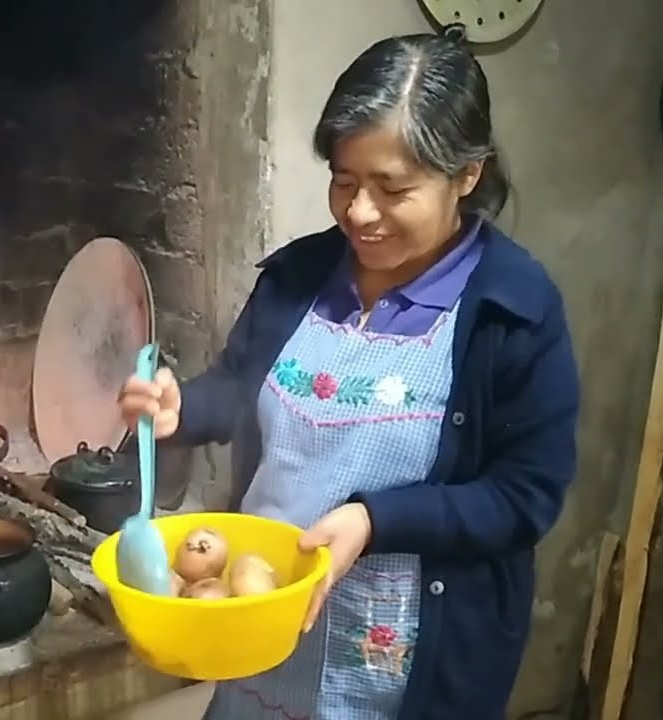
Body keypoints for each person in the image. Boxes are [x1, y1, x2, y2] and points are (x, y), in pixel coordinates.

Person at [117, 29, 580, 720]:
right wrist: (186, 407)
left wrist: (377, 517)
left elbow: (523, 496)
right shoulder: (299, 274)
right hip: (266, 635)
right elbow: (241, 383)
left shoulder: (512, 312)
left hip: (405, 668)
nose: (359, 213)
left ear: (466, 176)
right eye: (344, 181)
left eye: (393, 189)